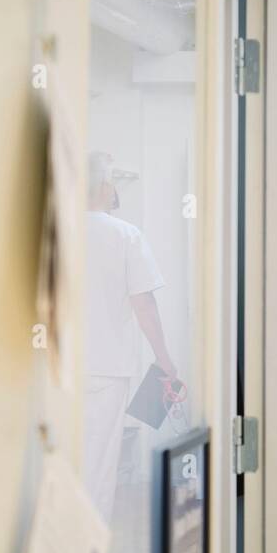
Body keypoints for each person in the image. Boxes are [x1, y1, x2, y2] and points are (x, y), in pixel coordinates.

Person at [83, 151, 181, 528]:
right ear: (106, 188)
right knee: (98, 467)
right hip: (107, 371)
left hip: (55, 369)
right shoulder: (125, 236)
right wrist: (166, 362)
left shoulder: (52, 230)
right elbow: (145, 305)